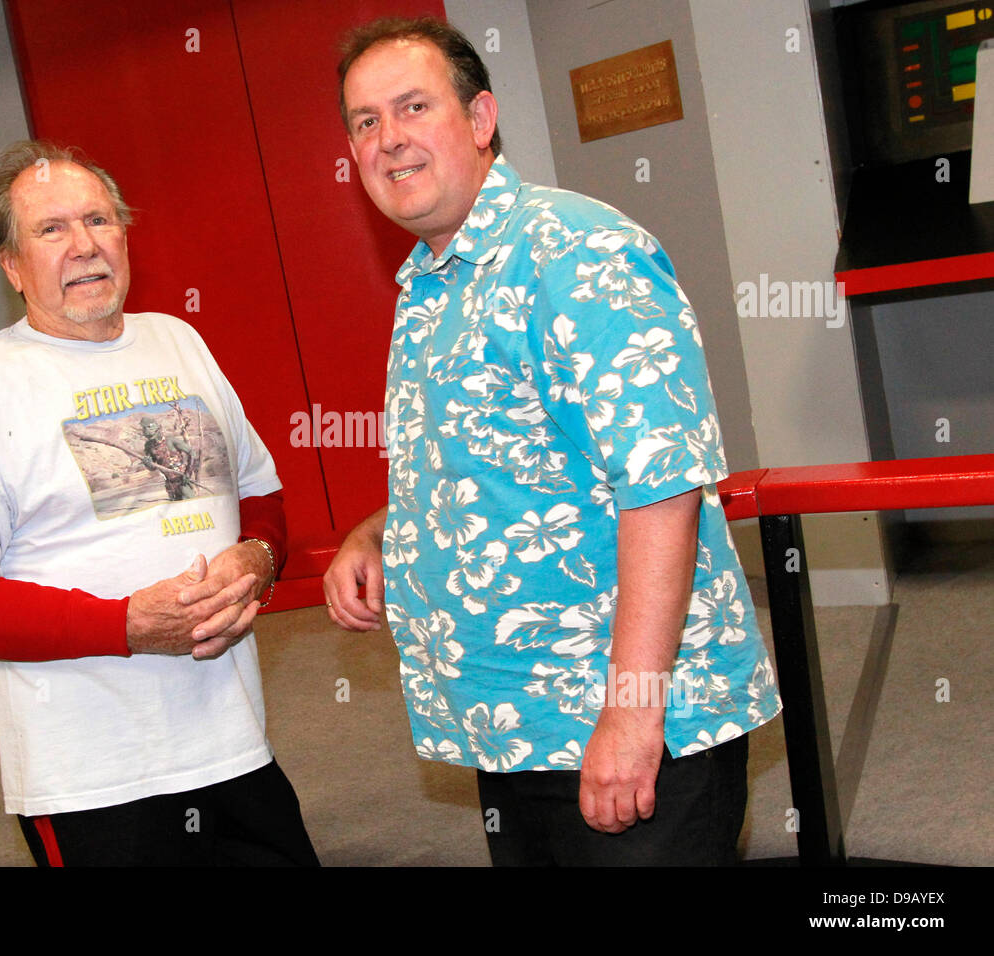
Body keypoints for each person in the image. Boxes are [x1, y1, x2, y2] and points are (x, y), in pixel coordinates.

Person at [324, 17, 781, 866]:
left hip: (632, 729)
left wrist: (634, 713)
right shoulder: (431, 283)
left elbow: (663, 489)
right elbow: (504, 466)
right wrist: (379, 531)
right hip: (518, 730)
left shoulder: (579, 253)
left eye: (413, 107)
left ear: (481, 118)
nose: (388, 141)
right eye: (364, 121)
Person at [0, 140, 318, 867]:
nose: (84, 245)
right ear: (11, 264)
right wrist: (125, 624)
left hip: (232, 743)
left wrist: (257, 557)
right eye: (51, 229)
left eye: (99, 219)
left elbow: (260, 493)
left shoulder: (179, 340)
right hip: (91, 779)